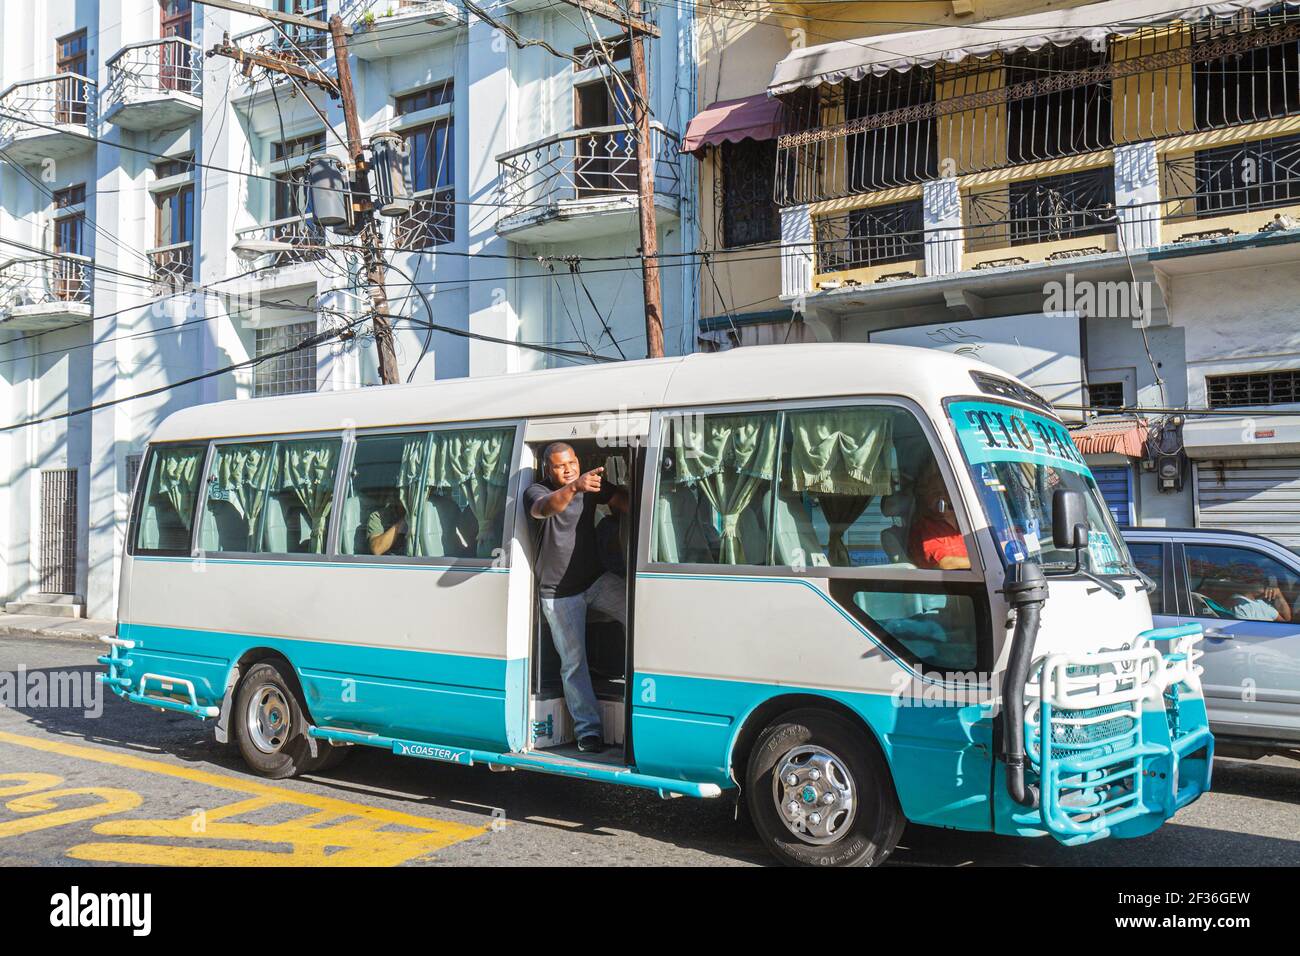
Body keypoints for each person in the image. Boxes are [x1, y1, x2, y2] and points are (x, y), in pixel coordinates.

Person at [524, 442, 628, 754]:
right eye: (559, 465)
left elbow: (623, 500)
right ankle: (589, 732)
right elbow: (546, 508)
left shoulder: (590, 483)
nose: (568, 469)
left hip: (595, 581)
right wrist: (574, 487)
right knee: (574, 663)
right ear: (548, 469)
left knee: (643, 619)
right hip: (559, 594)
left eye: (571, 463)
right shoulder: (537, 491)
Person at [908, 461, 970, 570]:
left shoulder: (967, 522)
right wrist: (985, 561)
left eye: (946, 491)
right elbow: (945, 564)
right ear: (925, 498)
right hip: (942, 584)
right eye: (935, 493)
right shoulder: (925, 527)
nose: (942, 497)